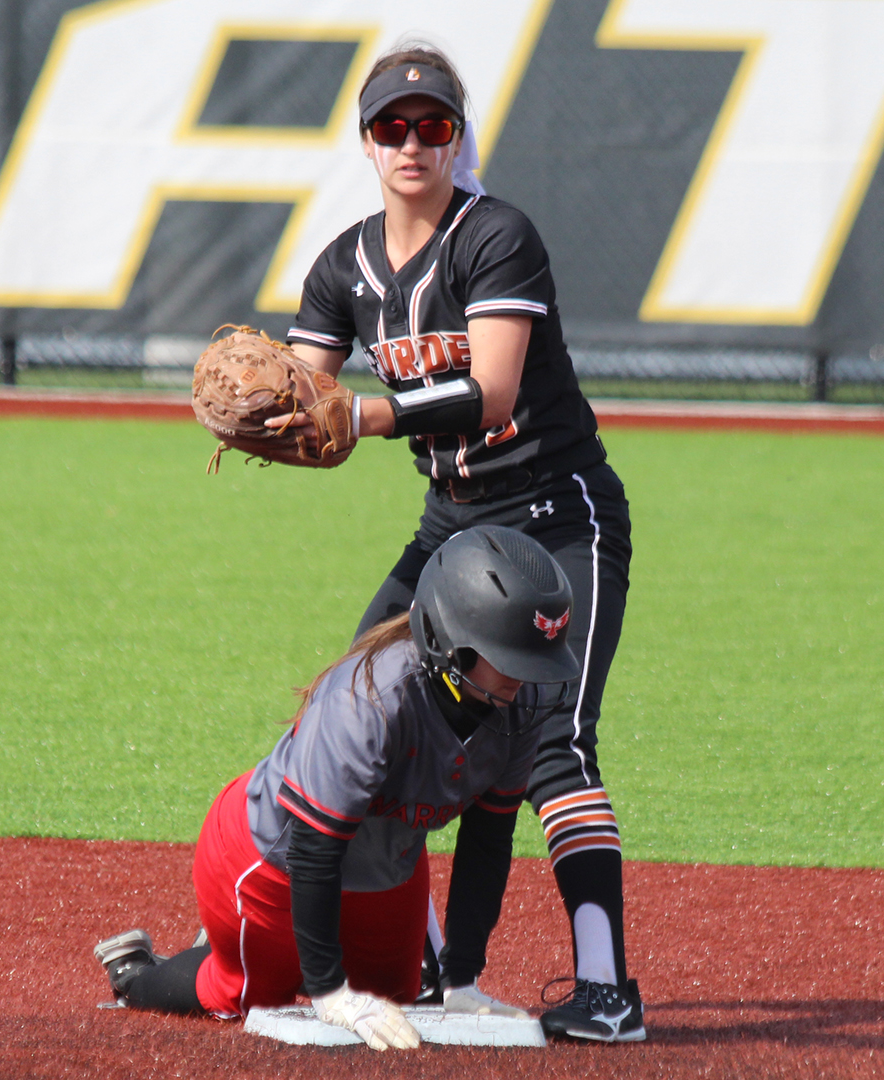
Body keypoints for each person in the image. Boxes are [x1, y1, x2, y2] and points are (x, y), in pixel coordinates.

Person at [272, 43, 642, 1042]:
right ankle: (424, 963)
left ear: (457, 137)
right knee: (353, 703)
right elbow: (311, 405)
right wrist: (270, 418)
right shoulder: (342, 267)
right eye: (392, 125)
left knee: (555, 734)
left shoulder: (496, 239)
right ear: (365, 140)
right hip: (455, 526)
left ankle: (605, 988)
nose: (412, 141)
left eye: (433, 124)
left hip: (560, 513)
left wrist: (365, 417)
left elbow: (494, 392)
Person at [95, 527, 578, 1050]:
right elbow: (312, 848)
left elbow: (487, 841)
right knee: (252, 995)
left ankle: (271, 946)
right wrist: (329, 994)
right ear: (449, 642)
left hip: (382, 865)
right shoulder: (369, 699)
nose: (525, 678)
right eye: (508, 657)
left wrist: (461, 980)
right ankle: (141, 973)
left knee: (399, 994)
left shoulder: (517, 702)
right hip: (268, 856)